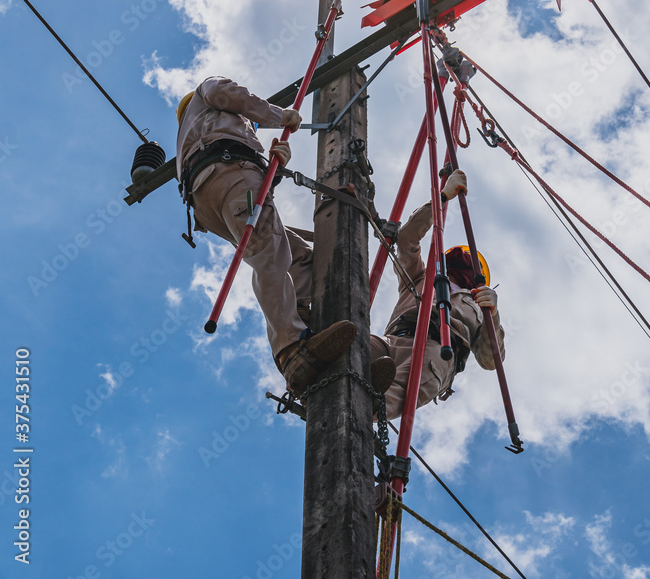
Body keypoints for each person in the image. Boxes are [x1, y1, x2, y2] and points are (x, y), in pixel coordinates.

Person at [176, 77, 356, 396]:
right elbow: (224, 92)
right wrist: (279, 116)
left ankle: (301, 315)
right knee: (268, 251)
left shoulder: (194, 139)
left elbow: (250, 193)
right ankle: (291, 349)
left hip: (207, 199)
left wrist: (273, 165)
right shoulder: (206, 95)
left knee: (293, 252)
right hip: (229, 173)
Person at [370, 170, 505, 420]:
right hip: (393, 339)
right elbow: (407, 239)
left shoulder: (479, 308)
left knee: (387, 399)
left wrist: (493, 316)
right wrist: (441, 199)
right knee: (350, 350)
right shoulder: (423, 276)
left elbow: (491, 361)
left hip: (438, 350)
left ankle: (355, 414)